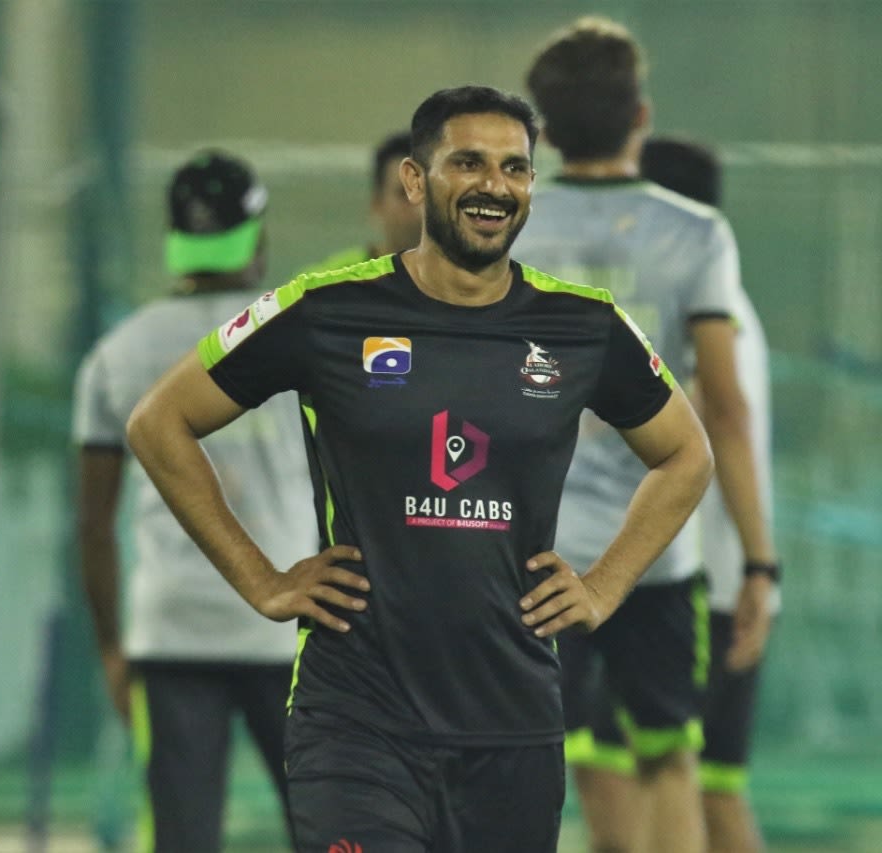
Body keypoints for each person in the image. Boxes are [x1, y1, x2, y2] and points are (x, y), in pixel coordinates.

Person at [124, 85, 715, 853]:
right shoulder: (324, 310)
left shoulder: (584, 324)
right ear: (414, 180)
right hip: (356, 722)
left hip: (514, 724)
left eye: (514, 168)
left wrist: (604, 586)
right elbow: (159, 423)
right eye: (468, 162)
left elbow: (687, 453)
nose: (494, 185)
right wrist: (261, 579)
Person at [514, 18, 779, 853]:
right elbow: (725, 409)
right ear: (640, 115)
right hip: (658, 549)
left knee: (512, 758)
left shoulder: (511, 225)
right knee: (669, 758)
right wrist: (760, 561)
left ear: (546, 130)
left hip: (528, 546)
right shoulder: (695, 233)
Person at [73, 150, 316, 852]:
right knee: (330, 827)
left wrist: (111, 645)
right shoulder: (292, 334)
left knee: (181, 837)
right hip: (288, 628)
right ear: (257, 236)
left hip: (171, 629)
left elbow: (92, 523)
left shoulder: (118, 353)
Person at [643, 135, 778, 853]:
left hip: (700, 588)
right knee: (714, 790)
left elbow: (719, 419)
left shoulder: (702, 313)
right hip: (721, 582)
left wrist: (758, 563)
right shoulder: (729, 304)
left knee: (667, 780)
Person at [299, 130, 422, 274]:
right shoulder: (330, 283)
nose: (420, 210)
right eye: (405, 194)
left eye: (429, 193)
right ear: (377, 205)